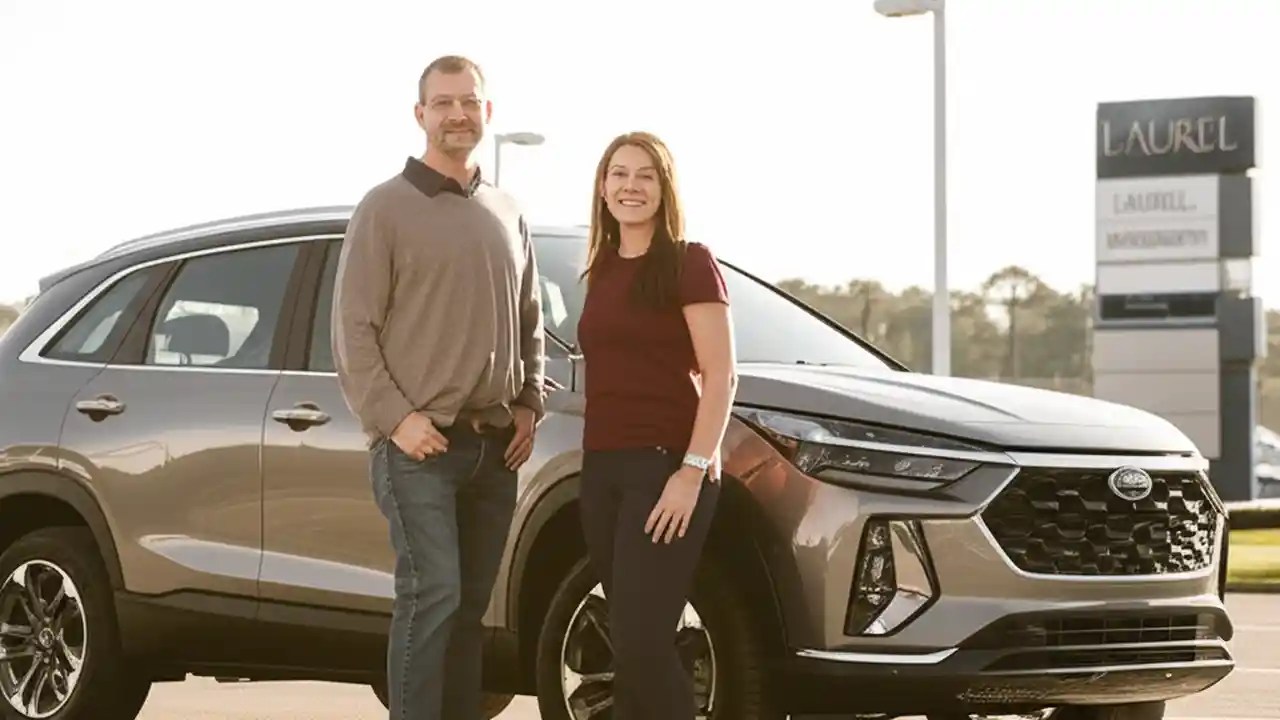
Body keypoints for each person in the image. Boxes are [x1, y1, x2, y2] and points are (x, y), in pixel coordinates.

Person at [331, 54, 545, 720]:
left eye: (469, 101)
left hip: (492, 449)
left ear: (488, 112)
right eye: (443, 102)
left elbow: (532, 316)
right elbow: (353, 332)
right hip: (417, 447)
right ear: (419, 114)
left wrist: (530, 404)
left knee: (467, 610)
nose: (457, 113)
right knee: (434, 595)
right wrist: (397, 420)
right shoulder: (385, 208)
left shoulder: (506, 210)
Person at [575, 131, 738, 719]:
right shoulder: (600, 268)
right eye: (618, 174)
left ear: (663, 188)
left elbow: (721, 376)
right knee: (631, 643)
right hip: (603, 471)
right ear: (602, 186)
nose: (630, 186)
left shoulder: (689, 262)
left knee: (643, 644)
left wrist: (691, 472)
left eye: (645, 175)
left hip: (666, 468)